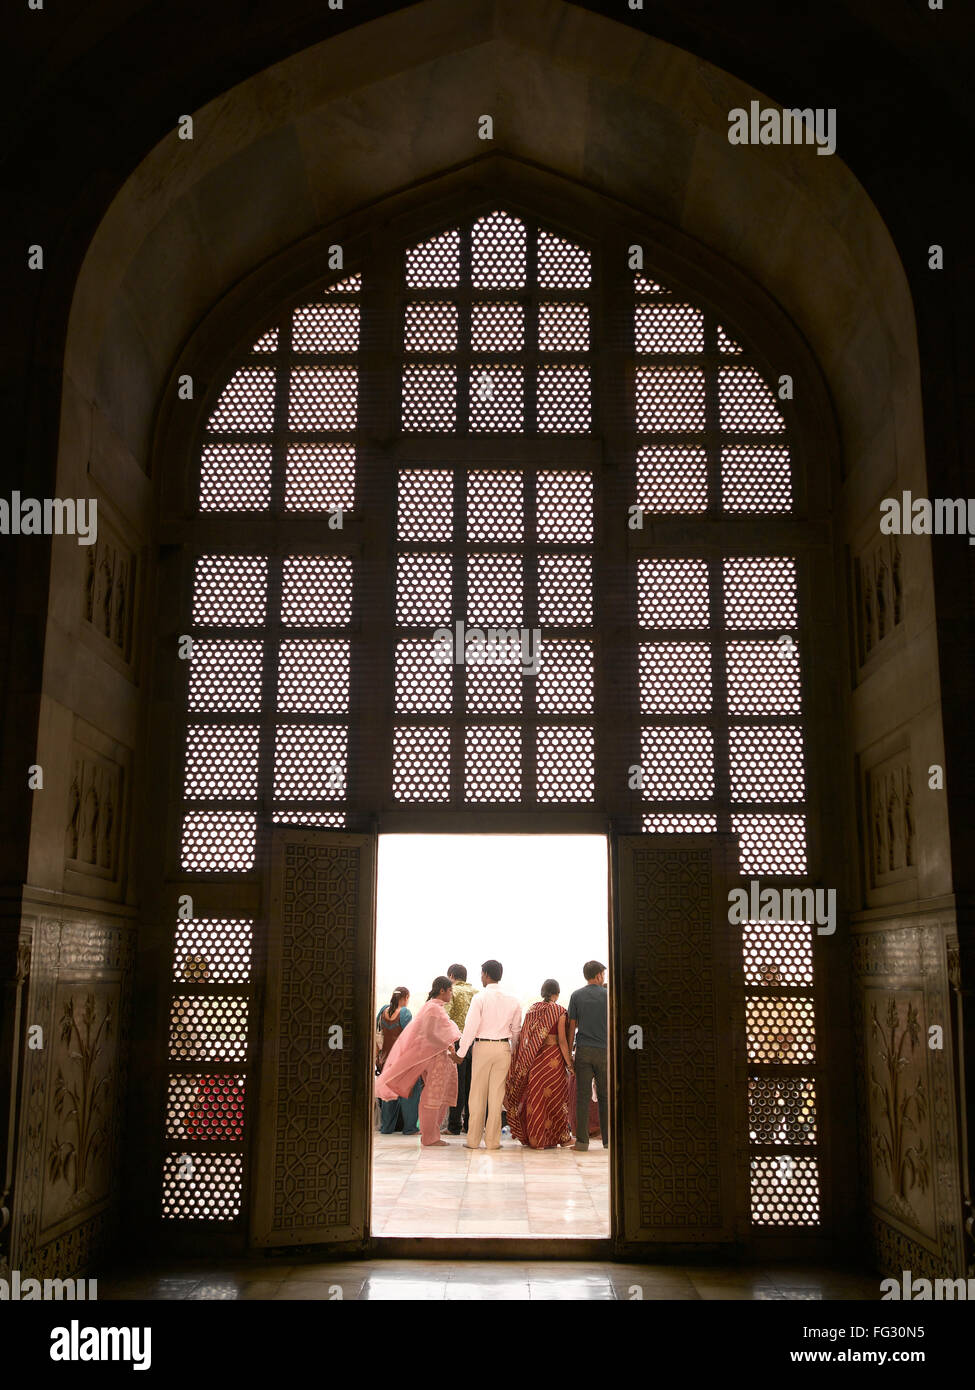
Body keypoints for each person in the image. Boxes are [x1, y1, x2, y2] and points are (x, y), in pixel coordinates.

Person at [375, 976, 461, 1147]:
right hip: (435, 1058)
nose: (451, 993)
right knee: (432, 1096)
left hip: (434, 1056)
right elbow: (429, 1035)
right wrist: (447, 1044)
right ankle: (430, 1137)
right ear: (442, 990)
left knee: (436, 1096)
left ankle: (430, 1135)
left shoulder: (433, 1007)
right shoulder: (433, 1009)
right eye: (450, 990)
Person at [456, 959, 522, 1151]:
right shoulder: (513, 1000)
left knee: (477, 1094)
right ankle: (493, 1142)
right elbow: (516, 1031)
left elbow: (470, 1028)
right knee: (496, 1095)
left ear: (485, 974)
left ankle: (473, 1140)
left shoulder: (480, 998)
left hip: (482, 1047)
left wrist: (461, 1052)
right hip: (503, 1049)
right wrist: (514, 1051)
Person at [503, 978, 573, 1149]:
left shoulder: (532, 1010)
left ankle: (536, 1139)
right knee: (556, 1099)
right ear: (557, 993)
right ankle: (562, 1138)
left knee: (536, 1099)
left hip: (534, 1060)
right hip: (553, 1060)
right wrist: (569, 1064)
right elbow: (563, 1041)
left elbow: (525, 1038)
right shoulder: (559, 1011)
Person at [567, 960, 609, 1151]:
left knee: (582, 1097)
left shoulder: (576, 995)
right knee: (605, 1096)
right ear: (599, 974)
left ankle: (582, 1142)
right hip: (604, 1051)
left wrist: (569, 1053)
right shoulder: (609, 995)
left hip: (583, 1051)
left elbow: (571, 1026)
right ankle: (608, 1141)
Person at [375, 986, 421, 1135]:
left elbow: (377, 1033)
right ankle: (410, 1128)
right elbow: (410, 1037)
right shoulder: (404, 1013)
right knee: (409, 1092)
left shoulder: (383, 1011)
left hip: (384, 1059)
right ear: (406, 997)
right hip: (400, 1060)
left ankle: (387, 1127)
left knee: (388, 1093)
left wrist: (377, 1057)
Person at [445, 963, 477, 1135]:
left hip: (457, 1042)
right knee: (472, 1085)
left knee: (457, 1085)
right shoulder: (476, 993)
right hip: (475, 1043)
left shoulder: (452, 992)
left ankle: (454, 1125)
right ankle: (470, 1125)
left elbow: (446, 1018)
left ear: (451, 975)